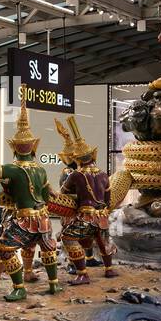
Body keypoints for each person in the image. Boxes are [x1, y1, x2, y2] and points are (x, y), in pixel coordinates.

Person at [0, 95, 61, 300]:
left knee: (5, 248)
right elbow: (46, 196)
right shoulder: (41, 170)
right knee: (47, 248)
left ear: (14, 148)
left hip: (25, 219)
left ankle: (19, 287)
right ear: (33, 147)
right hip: (43, 218)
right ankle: (53, 285)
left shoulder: (13, 169)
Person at [54, 116, 116, 283]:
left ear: (77, 159)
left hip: (86, 216)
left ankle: (82, 273)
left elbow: (63, 192)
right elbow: (108, 199)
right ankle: (109, 269)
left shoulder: (76, 174)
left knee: (67, 237)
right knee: (103, 240)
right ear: (93, 156)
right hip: (102, 215)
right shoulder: (103, 174)